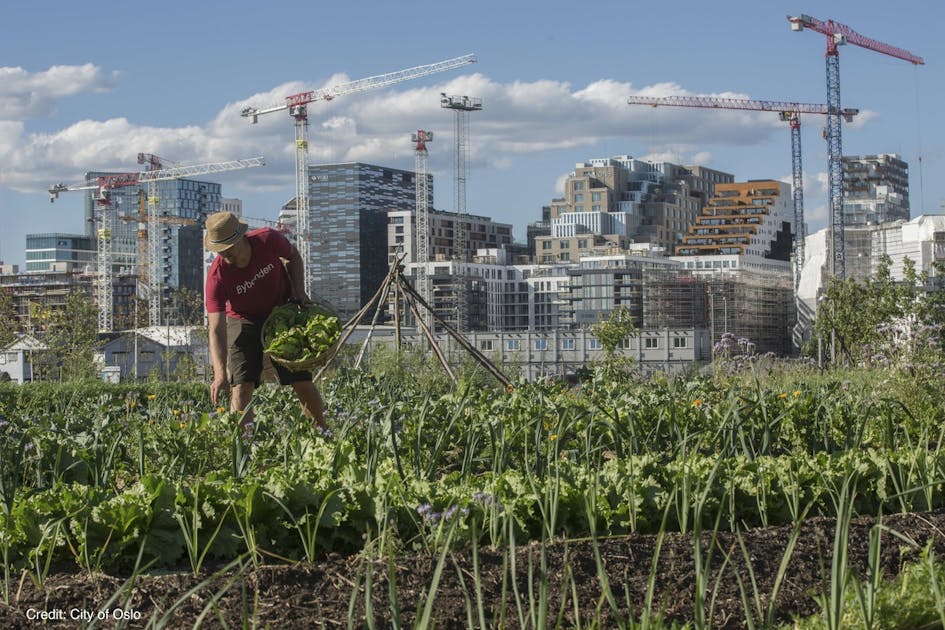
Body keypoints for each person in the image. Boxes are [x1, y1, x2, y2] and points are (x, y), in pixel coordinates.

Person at [203, 211, 325, 427]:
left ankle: (321, 431)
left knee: (301, 380)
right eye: (220, 251)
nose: (225, 254)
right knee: (241, 386)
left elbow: (293, 257)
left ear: (242, 237)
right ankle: (244, 444)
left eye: (229, 247)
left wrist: (300, 292)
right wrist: (219, 373)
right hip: (244, 320)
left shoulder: (268, 239)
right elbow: (216, 329)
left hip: (281, 314)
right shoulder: (217, 276)